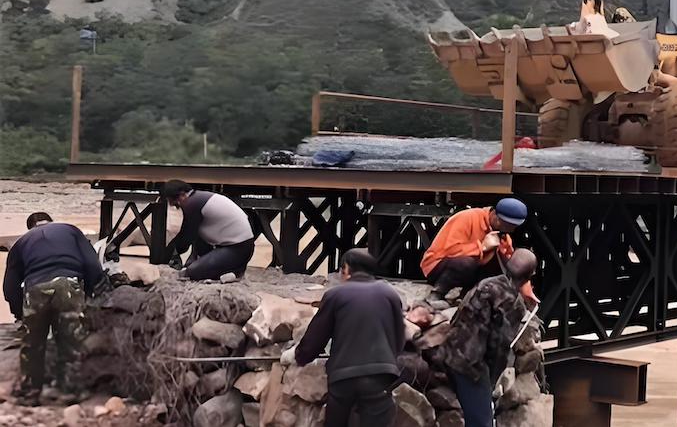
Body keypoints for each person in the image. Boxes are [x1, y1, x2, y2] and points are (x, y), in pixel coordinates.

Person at [285, 248, 404, 427]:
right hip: (380, 375)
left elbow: (316, 338)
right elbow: (399, 337)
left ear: (347, 269)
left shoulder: (336, 295)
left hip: (343, 377)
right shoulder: (389, 293)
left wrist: (298, 355)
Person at [3, 212, 106, 405]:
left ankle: (30, 394)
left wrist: (19, 313)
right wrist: (92, 293)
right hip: (68, 283)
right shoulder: (70, 230)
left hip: (35, 288)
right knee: (71, 340)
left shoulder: (21, 243)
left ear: (30, 227)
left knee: (33, 344)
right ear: (51, 222)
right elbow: (92, 264)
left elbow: (10, 286)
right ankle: (72, 391)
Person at [439, 248, 539, 427]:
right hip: (471, 366)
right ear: (530, 276)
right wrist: (491, 382)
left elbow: (457, 317)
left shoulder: (486, 283)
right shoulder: (512, 303)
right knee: (481, 422)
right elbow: (499, 347)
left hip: (449, 352)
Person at [420, 198, 536, 303]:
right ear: (494, 214)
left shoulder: (503, 234)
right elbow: (449, 251)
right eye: (505, 224)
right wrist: (482, 247)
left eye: (512, 227)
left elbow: (510, 264)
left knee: (498, 274)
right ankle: (437, 293)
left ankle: (466, 298)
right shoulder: (467, 218)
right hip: (439, 265)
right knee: (466, 263)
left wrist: (524, 283)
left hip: (470, 272)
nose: (508, 229)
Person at [161, 180, 256, 280]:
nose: (172, 205)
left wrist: (171, 253)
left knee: (193, 272)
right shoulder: (199, 198)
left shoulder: (193, 204)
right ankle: (227, 269)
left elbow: (186, 237)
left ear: (182, 195)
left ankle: (235, 271)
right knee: (193, 258)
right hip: (230, 245)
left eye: (173, 201)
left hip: (237, 249)